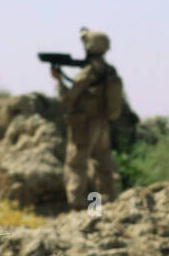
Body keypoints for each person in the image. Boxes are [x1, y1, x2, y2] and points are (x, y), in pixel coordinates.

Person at [52, 28, 122, 210]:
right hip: (103, 124)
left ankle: (78, 205)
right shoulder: (109, 70)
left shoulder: (88, 72)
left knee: (76, 164)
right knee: (104, 164)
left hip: (84, 125)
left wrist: (58, 80)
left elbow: (68, 98)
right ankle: (109, 201)